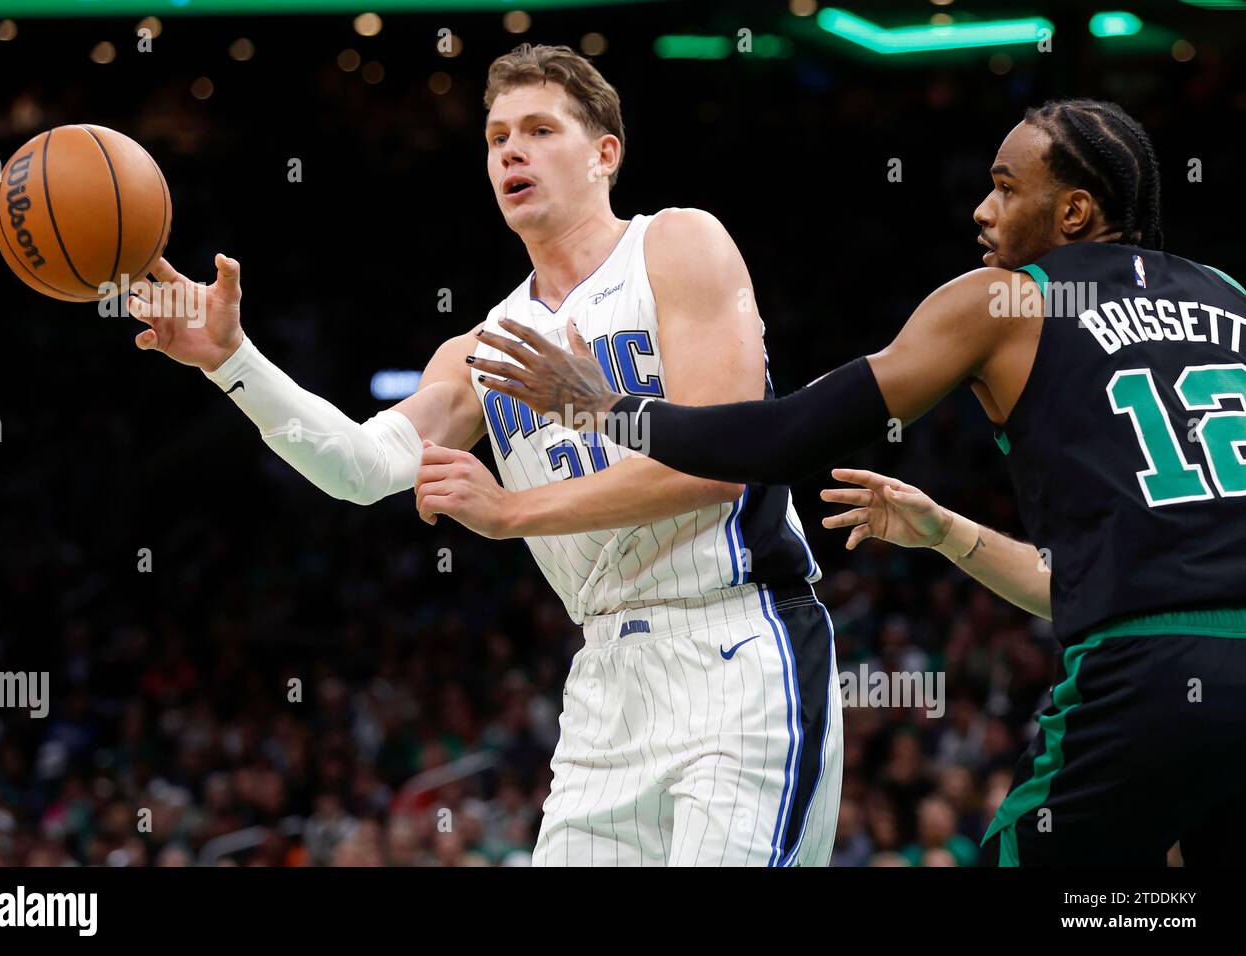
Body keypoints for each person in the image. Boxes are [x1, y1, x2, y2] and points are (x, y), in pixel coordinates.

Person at [471, 99, 1246, 865]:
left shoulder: (1005, 300)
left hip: (1144, 670)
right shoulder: (1228, 294)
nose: (982, 210)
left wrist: (604, 408)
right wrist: (948, 530)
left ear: (1074, 212)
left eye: (1007, 188)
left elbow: (780, 438)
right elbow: (1091, 581)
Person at [127, 43, 839, 867]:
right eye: (498, 137)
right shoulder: (481, 349)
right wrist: (232, 361)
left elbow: (723, 462)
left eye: (540, 129)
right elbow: (358, 468)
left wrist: (512, 512)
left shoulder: (676, 245)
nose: (512, 151)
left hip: (740, 646)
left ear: (605, 153)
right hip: (606, 680)